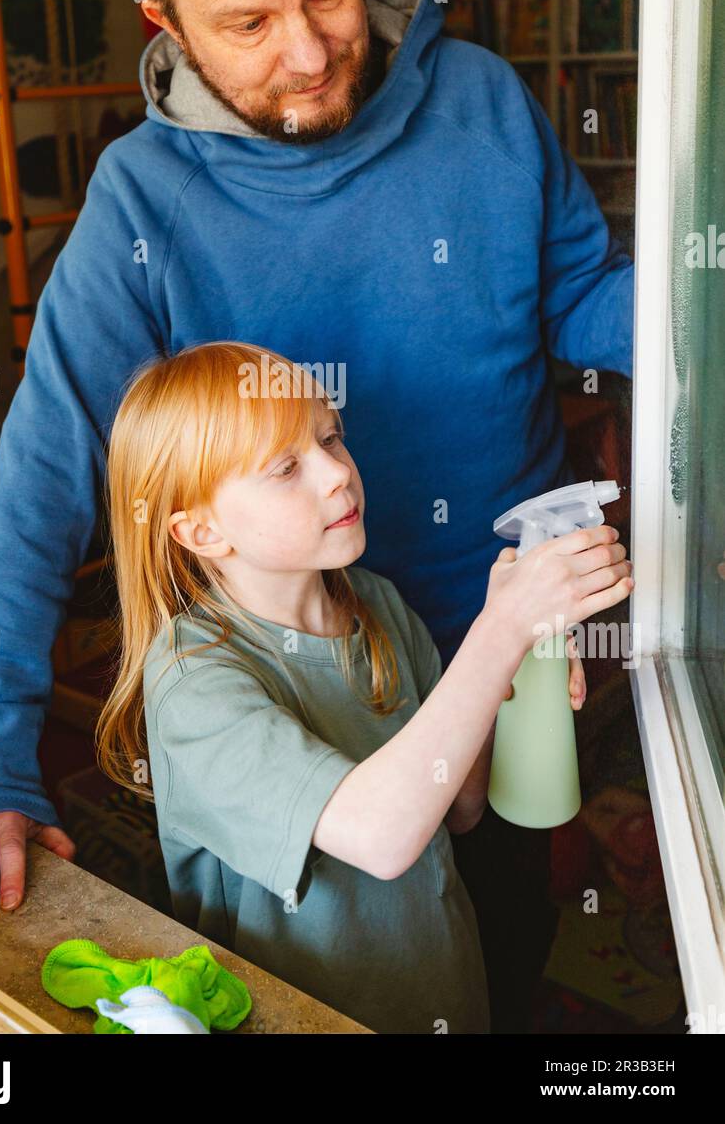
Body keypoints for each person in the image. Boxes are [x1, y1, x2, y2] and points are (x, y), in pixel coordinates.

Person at [0, 0, 634, 1032]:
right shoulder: (142, 199)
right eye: (246, 23)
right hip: (293, 712)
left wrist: (691, 313)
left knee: (489, 959)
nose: (306, 54)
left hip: (503, 680)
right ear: (167, 21)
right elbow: (40, 480)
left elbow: (583, 289)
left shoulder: (480, 100)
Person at [96, 339, 632, 1034]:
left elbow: (462, 807)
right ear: (200, 530)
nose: (336, 474)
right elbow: (382, 836)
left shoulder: (376, 605)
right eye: (287, 467)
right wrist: (497, 634)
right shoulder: (193, 685)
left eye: (331, 438)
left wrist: (511, 661)